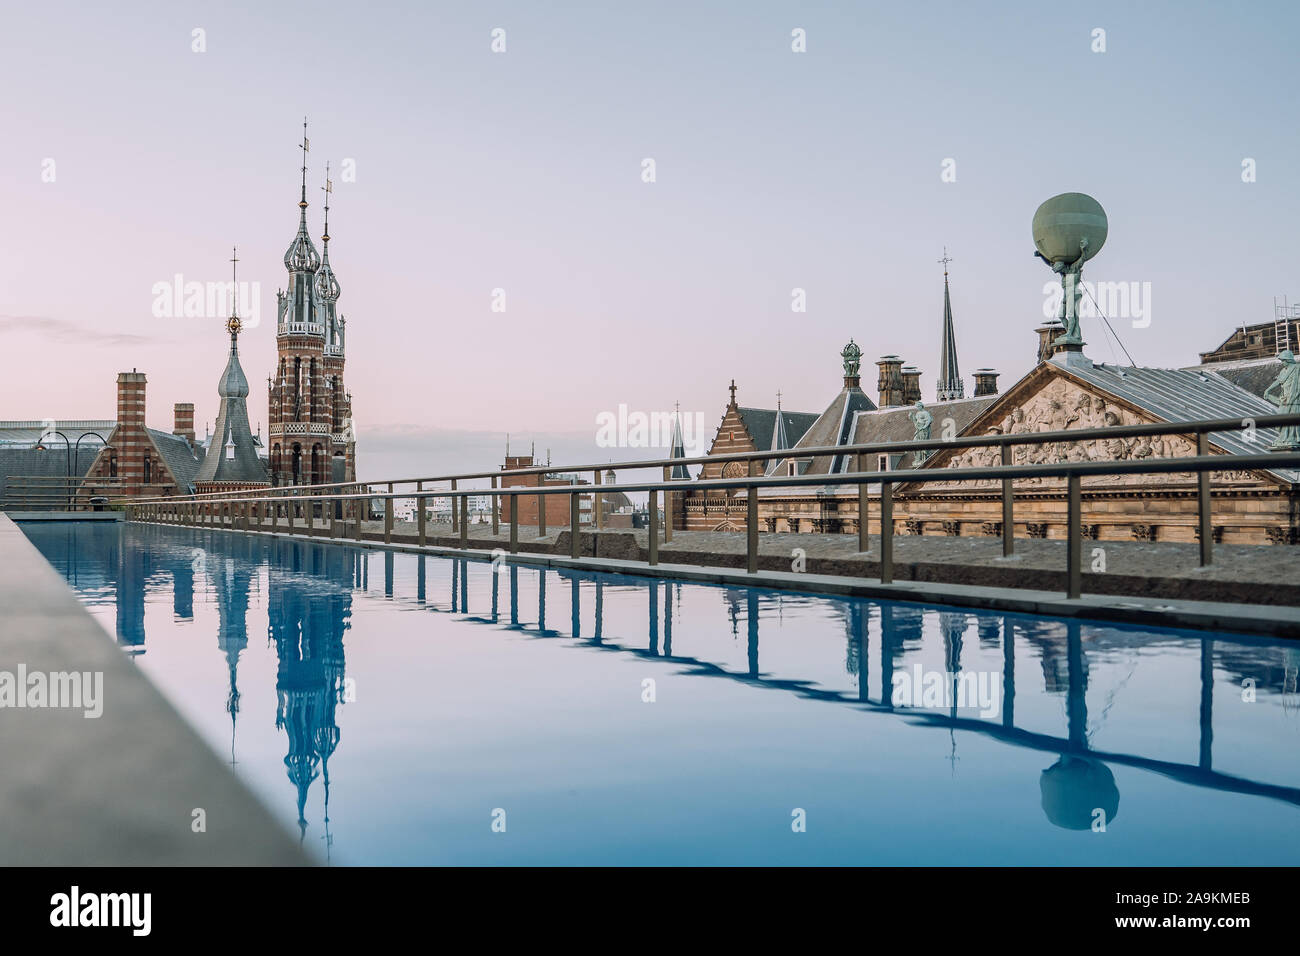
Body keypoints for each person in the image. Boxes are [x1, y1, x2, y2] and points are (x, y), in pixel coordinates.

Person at [1263, 350, 1300, 449]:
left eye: (1283, 361)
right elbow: (1279, 381)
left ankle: (1291, 438)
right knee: (1281, 416)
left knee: (1291, 418)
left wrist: (1295, 395)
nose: (1282, 363)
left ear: (1288, 360)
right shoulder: (1283, 371)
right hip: (1284, 398)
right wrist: (1268, 389)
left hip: (1294, 398)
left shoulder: (1297, 368)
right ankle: (1284, 437)